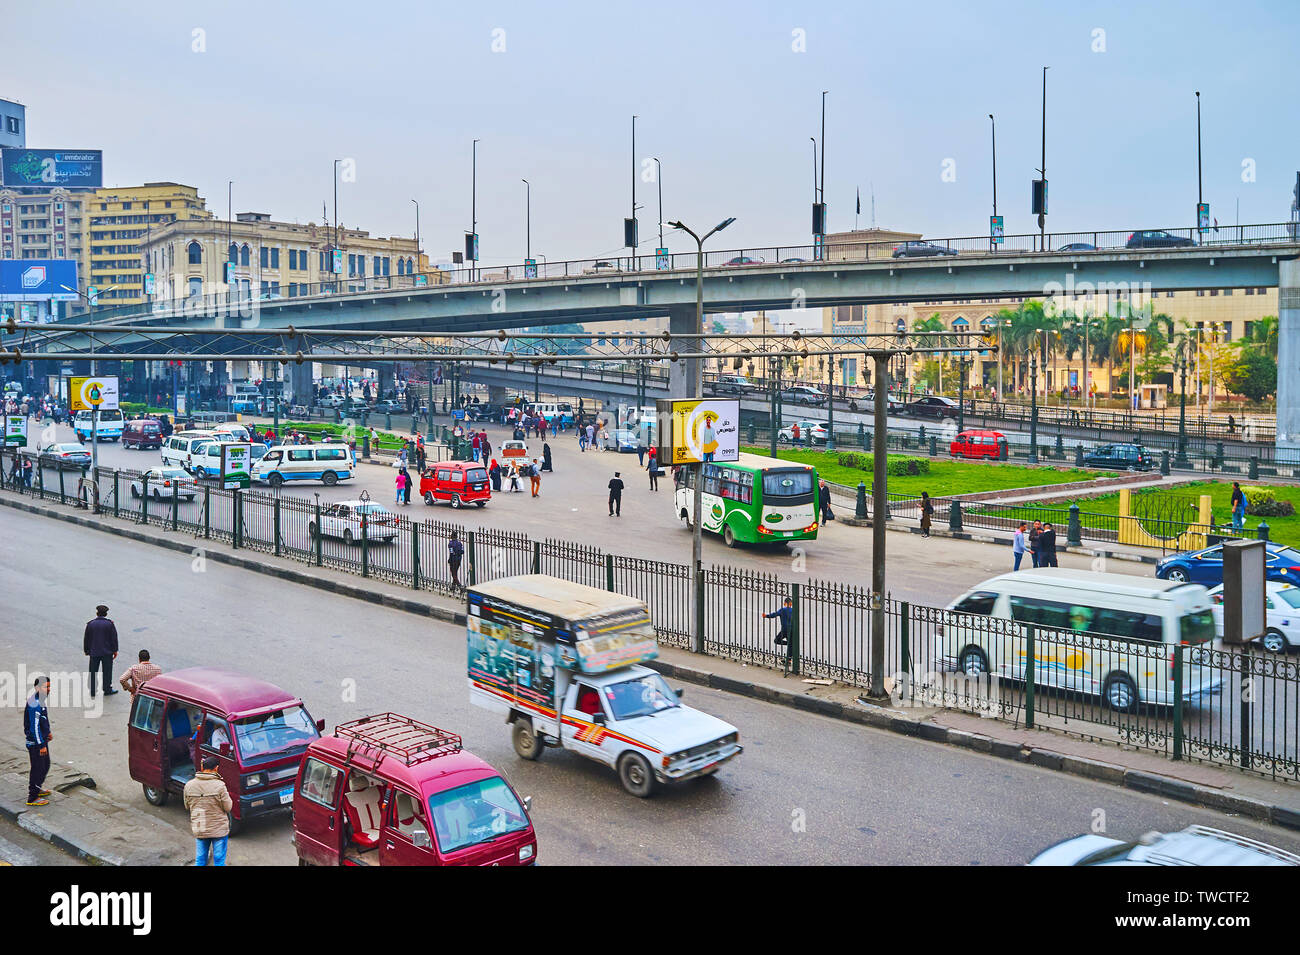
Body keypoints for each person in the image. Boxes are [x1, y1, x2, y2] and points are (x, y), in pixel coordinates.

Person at [184, 756, 233, 867]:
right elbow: (228, 807)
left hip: (200, 827)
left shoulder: (189, 785)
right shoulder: (220, 786)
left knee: (200, 861)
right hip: (219, 829)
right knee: (219, 862)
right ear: (216, 768)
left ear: (202, 767)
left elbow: (187, 806)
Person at [24, 676, 52, 807]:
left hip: (41, 740)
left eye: (49, 686)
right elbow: (34, 727)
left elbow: (43, 719)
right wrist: (41, 745)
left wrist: (48, 732)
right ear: (37, 688)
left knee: (45, 765)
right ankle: (32, 797)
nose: (48, 689)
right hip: (36, 743)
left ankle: (37, 787)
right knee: (38, 768)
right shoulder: (34, 704)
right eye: (45, 687)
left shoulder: (40, 700)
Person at [84, 604, 119, 698]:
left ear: (97, 613)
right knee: (107, 672)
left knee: (93, 672)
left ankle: (92, 690)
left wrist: (87, 650)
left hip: (94, 652)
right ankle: (107, 689)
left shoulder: (91, 624)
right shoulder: (109, 624)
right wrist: (115, 650)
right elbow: (113, 638)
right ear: (106, 614)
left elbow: (87, 638)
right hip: (107, 653)